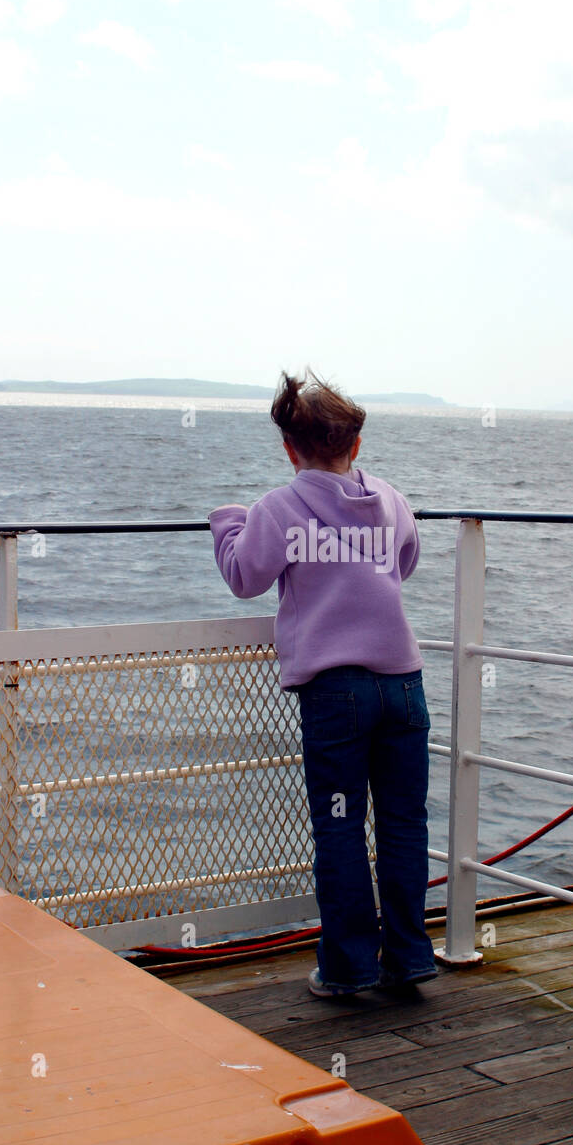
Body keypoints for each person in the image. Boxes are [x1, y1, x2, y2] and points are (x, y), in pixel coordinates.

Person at [208, 370, 437, 998]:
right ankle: (410, 959)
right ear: (354, 445)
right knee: (402, 824)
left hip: (336, 692)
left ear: (291, 448)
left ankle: (347, 969)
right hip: (404, 684)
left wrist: (229, 521)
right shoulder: (389, 499)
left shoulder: (280, 508)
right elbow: (407, 560)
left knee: (339, 826)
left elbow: (245, 576)